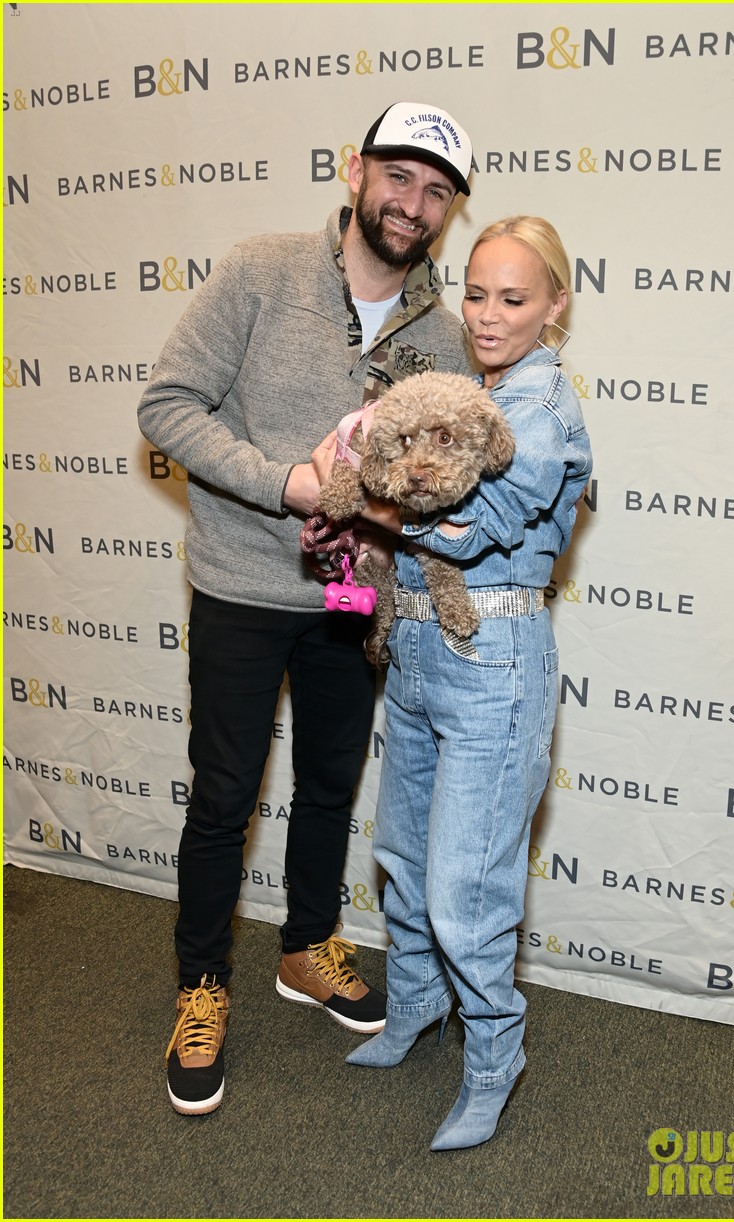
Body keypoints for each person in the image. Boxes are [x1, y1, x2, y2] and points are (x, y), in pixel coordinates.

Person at [136, 100, 475, 1116]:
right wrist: (287, 483)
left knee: (330, 784)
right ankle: (202, 985)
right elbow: (166, 406)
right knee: (223, 796)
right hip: (241, 585)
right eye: (398, 177)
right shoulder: (260, 270)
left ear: (450, 209)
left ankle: (305, 947)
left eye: (436, 191)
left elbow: (443, 468)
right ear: (354, 171)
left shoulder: (445, 333)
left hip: (350, 595)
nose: (412, 204)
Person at [335, 216, 592, 1150]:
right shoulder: (470, 393)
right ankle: (414, 1007)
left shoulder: (540, 407)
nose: (486, 315)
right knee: (404, 858)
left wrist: (352, 485)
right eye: (475, 293)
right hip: (417, 645)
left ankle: (494, 1059)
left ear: (555, 305)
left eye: (513, 299)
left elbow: (465, 527)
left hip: (494, 661)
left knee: (465, 891)